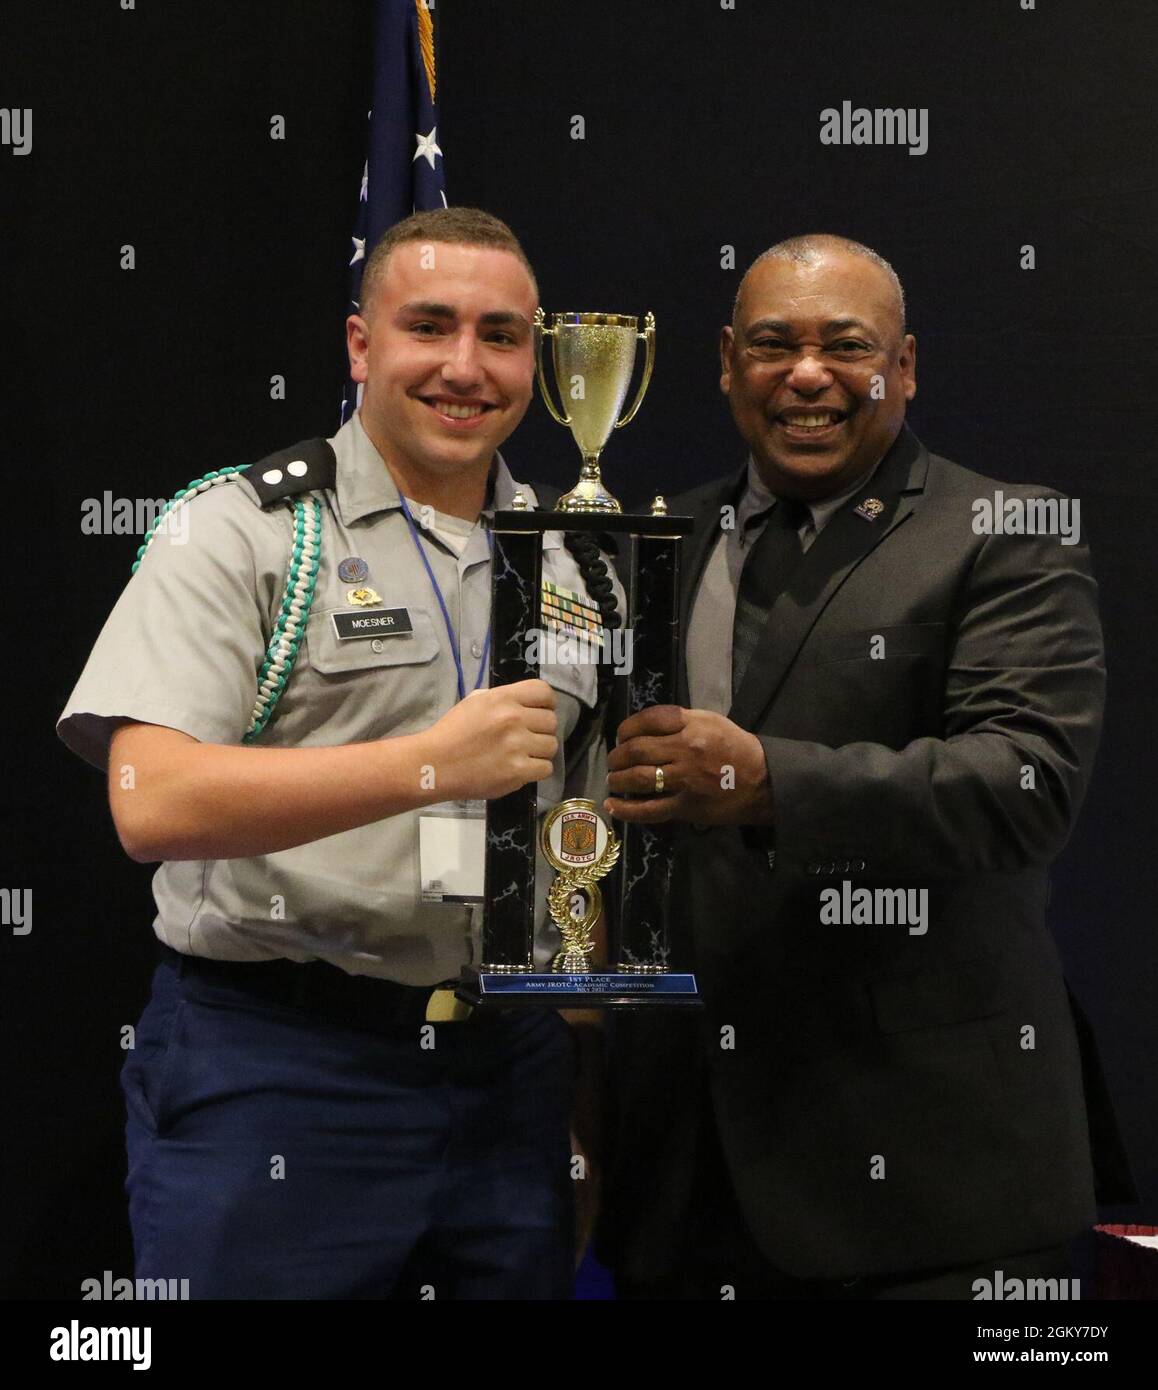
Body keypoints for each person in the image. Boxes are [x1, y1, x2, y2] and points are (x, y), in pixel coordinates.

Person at [56, 206, 619, 1300]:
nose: (467, 367)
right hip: (280, 1062)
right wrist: (432, 764)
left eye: (501, 336)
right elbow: (151, 801)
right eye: (431, 327)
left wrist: (581, 1086)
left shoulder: (579, 559)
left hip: (508, 1076)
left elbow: (577, 845)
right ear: (361, 345)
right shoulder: (244, 530)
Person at [598, 233, 1133, 1299]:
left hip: (930, 1186)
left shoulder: (1002, 531)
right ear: (725, 362)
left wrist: (765, 784)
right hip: (684, 1179)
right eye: (771, 344)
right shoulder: (657, 538)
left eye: (848, 345)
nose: (807, 374)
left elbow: (1024, 784)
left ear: (907, 365)